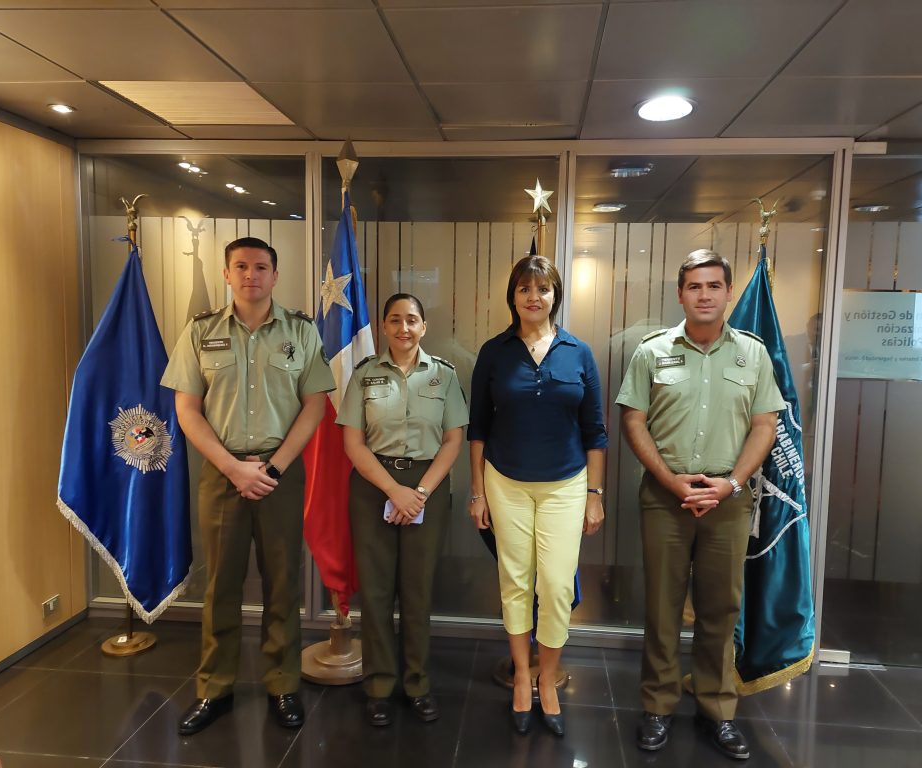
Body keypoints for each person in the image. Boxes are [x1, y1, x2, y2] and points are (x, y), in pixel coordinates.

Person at [161, 236, 334, 735]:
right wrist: (234, 468)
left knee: (283, 584)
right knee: (221, 587)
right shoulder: (200, 333)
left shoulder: (300, 332)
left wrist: (274, 468)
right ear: (226, 273)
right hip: (221, 474)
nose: (251, 275)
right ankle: (214, 688)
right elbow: (187, 410)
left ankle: (283, 685)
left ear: (276, 276)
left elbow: (315, 406)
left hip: (281, 472)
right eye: (241, 266)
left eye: (261, 267)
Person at [616, 249, 785, 761]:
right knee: (662, 609)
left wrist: (730, 484)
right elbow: (633, 420)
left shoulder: (752, 354)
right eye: (695, 286)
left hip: (728, 502)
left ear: (728, 292)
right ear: (680, 293)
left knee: (719, 609)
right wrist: (671, 482)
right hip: (666, 499)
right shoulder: (651, 351)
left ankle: (717, 710)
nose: (705, 295)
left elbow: (765, 426)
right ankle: (658, 707)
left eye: (714, 286)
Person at [467, 255, 607, 737]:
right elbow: (478, 428)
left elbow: (596, 430)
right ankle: (523, 677)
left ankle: (549, 679)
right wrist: (477, 491)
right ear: (513, 296)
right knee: (515, 581)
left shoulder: (578, 352)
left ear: (555, 296)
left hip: (566, 484)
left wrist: (594, 493)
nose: (534, 297)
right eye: (524, 289)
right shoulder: (494, 351)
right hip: (505, 481)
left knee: (556, 585)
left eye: (543, 289)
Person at [336, 293, 468, 727]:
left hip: (426, 486)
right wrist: (395, 490)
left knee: (417, 592)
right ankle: (377, 686)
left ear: (424, 326)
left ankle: (417, 684)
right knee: (375, 594)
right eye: (395, 320)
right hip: (374, 487)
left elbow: (453, 440)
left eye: (412, 319)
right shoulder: (364, 375)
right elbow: (353, 442)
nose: (404, 328)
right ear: (384, 326)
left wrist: (419, 493)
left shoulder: (444, 375)